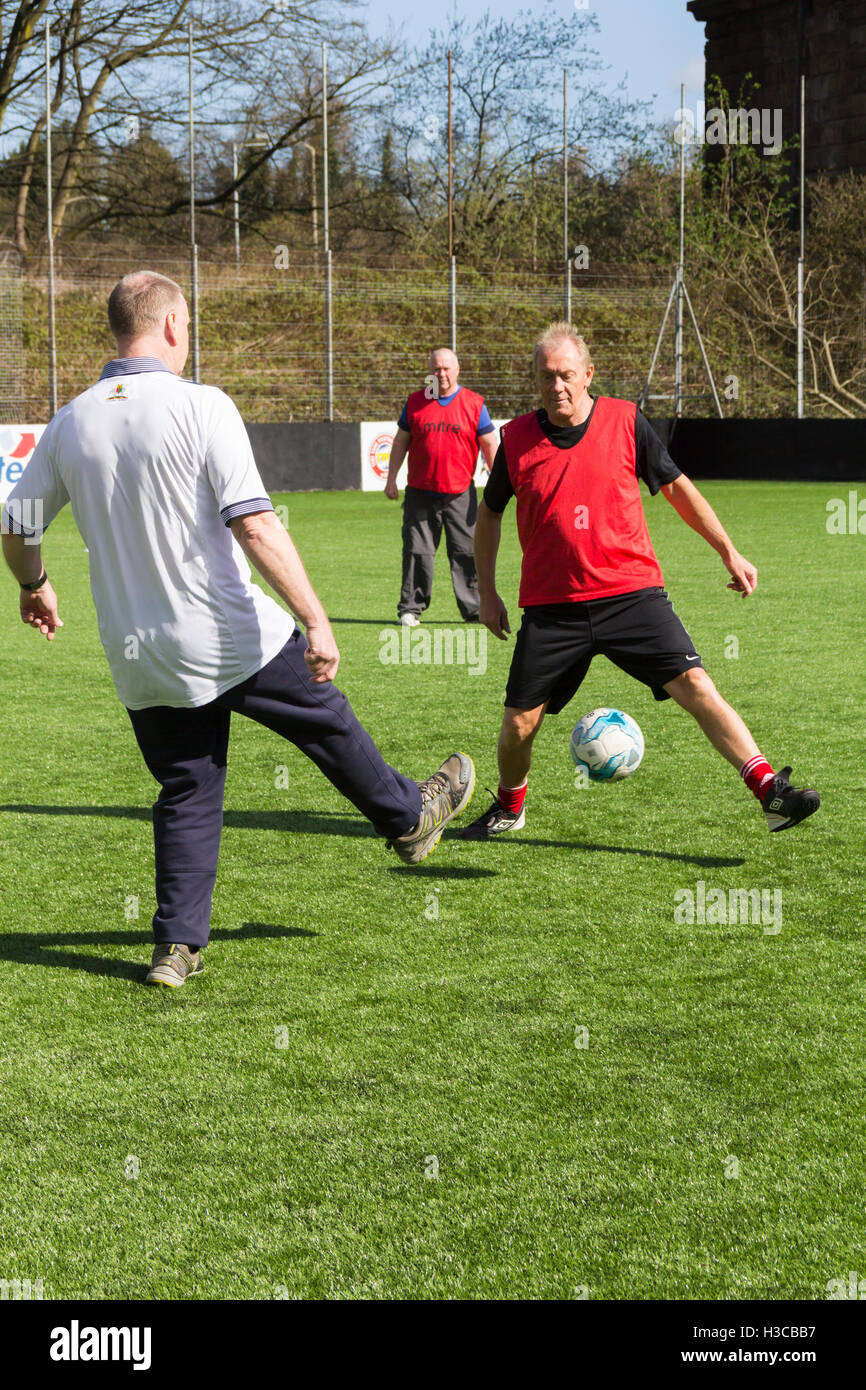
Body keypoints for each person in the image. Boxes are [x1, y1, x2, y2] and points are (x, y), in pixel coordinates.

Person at [1, 271, 475, 988]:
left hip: (141, 657)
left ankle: (175, 948)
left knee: (187, 787)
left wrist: (34, 587)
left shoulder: (72, 420)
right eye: (186, 324)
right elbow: (254, 523)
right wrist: (316, 619)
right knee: (326, 720)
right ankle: (409, 815)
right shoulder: (202, 406)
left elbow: (15, 526)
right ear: (169, 326)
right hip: (229, 637)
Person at [459, 321, 820, 839]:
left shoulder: (625, 421)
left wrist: (728, 552)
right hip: (552, 607)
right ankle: (510, 807)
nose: (555, 387)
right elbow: (489, 514)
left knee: (697, 686)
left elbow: (677, 490)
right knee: (519, 724)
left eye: (564, 375)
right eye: (544, 378)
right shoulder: (516, 439)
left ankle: (771, 792)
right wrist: (487, 592)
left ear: (587, 374)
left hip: (631, 595)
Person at [385, 346, 498, 625]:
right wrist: (391, 479)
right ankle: (410, 608)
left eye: (447, 368)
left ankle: (474, 610)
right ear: (430, 371)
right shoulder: (415, 403)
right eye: (436, 368)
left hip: (460, 493)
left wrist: (499, 486)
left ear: (457, 369)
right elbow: (400, 442)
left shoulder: (474, 404)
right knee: (417, 552)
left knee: (467, 552)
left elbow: (490, 444)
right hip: (420, 493)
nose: (442, 374)